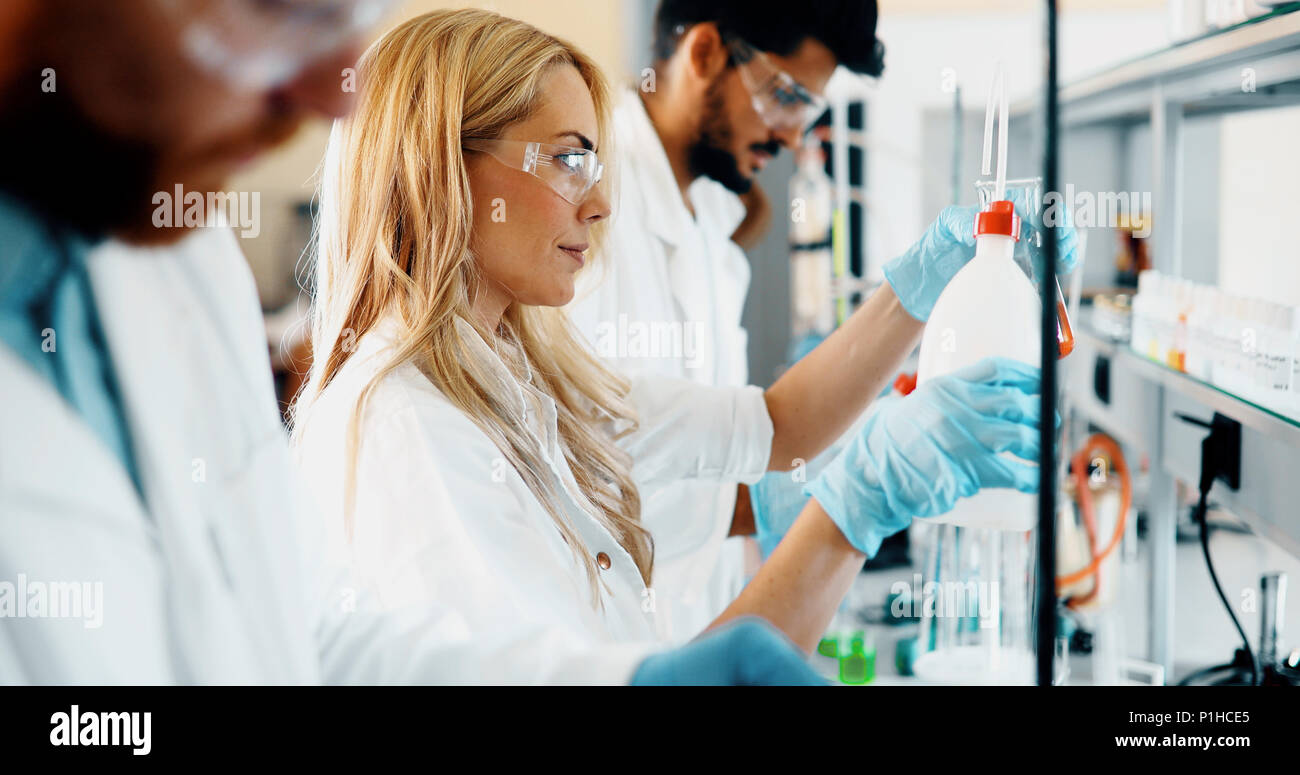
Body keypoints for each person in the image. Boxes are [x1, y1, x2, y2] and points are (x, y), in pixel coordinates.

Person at [0, 0, 824, 685]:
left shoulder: (179, 260)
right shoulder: (399, 417)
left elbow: (309, 636)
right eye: (282, 9)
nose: (332, 94)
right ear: (443, 167)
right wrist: (836, 522)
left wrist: (623, 681)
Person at [291, 8, 1048, 661]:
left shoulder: (526, 381)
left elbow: (777, 425)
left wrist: (928, 279)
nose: (599, 206)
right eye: (565, 160)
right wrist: (855, 506)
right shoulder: (410, 427)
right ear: (442, 170)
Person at [566, 0, 1079, 640]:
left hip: (695, 627)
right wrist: (813, 490)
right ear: (703, 55)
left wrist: (926, 284)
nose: (791, 136)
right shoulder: (583, 215)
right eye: (786, 97)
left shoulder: (710, 223)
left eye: (808, 111)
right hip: (604, 643)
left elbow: (763, 429)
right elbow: (570, 480)